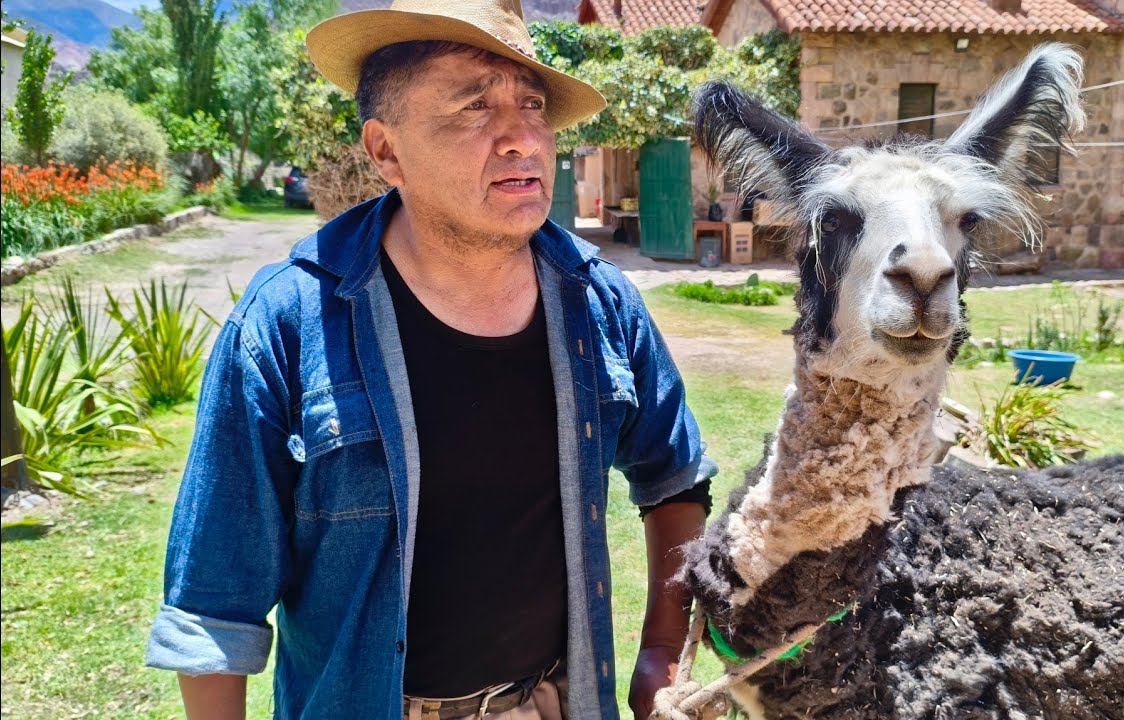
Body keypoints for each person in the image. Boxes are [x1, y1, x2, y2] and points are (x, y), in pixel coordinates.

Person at [144, 1, 717, 718]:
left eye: (532, 105)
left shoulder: (597, 302)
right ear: (386, 152)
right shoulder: (288, 324)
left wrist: (663, 651)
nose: (522, 139)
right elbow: (211, 606)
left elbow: (675, 481)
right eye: (475, 106)